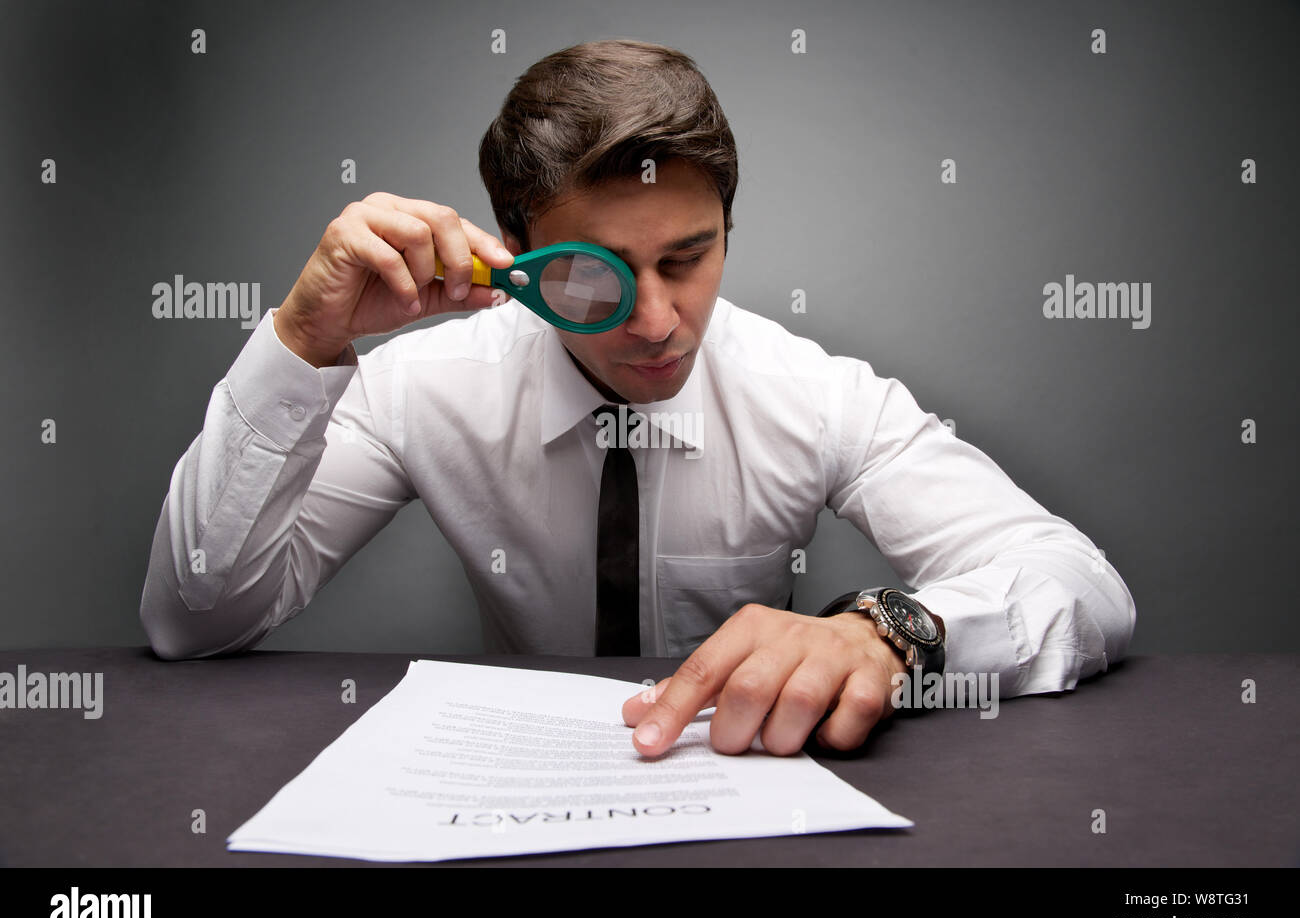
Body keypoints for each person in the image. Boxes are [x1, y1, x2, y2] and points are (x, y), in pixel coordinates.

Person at [140, 38, 1135, 760]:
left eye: (687, 260)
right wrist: (303, 343)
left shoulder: (815, 396)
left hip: (754, 794)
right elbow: (196, 619)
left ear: (726, 237)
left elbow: (1078, 583)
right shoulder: (420, 389)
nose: (657, 321)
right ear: (516, 262)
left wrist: (886, 632)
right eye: (593, 276)